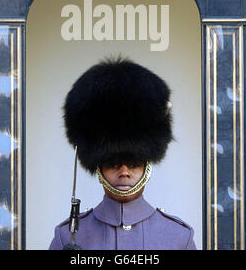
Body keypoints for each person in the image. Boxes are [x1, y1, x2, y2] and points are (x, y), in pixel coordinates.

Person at [49, 55, 196, 250]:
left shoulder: (178, 237)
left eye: (134, 163)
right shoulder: (68, 236)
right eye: (113, 163)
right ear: (99, 166)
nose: (124, 172)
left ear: (146, 165)